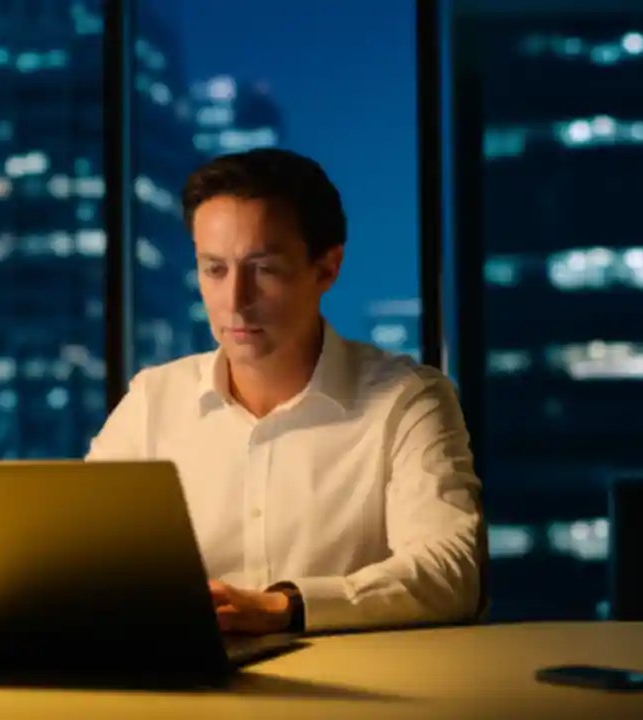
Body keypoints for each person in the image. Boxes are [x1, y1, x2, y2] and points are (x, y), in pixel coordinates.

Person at [86, 147, 484, 635]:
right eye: (214, 269)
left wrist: (286, 607)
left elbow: (451, 573)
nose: (236, 301)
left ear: (327, 268)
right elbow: (78, 556)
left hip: (354, 680)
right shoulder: (154, 400)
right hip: (189, 679)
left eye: (264, 269)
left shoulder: (406, 400)